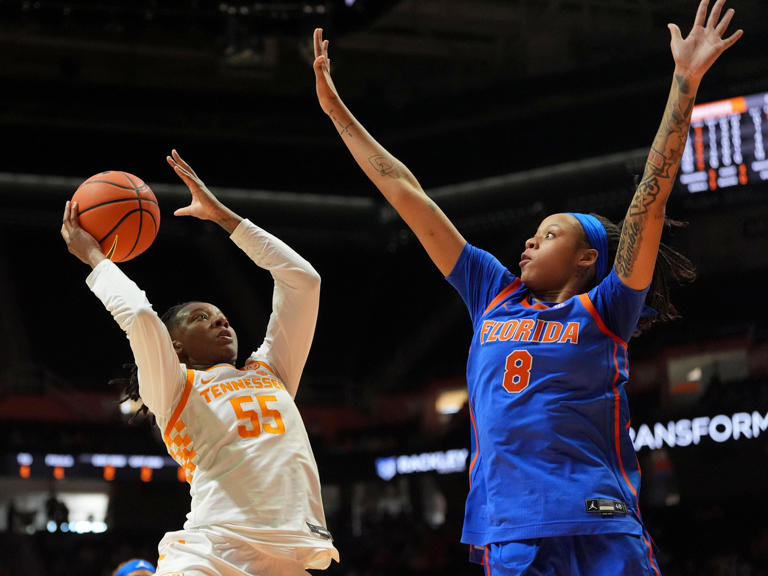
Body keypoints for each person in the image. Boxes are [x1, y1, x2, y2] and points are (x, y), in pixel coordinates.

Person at [311, 0, 741, 574]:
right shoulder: (491, 289)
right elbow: (409, 196)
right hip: (510, 525)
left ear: (588, 257)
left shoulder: (607, 306)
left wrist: (683, 85)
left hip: (599, 516)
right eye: (534, 236)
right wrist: (338, 113)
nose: (530, 243)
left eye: (550, 234)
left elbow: (649, 203)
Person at [61, 150, 339, 576]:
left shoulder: (271, 371)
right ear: (175, 347)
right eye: (200, 317)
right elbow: (139, 317)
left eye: (219, 314)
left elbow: (303, 281)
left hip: (289, 560)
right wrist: (96, 260)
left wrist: (226, 219)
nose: (220, 319)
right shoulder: (173, 392)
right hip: (212, 555)